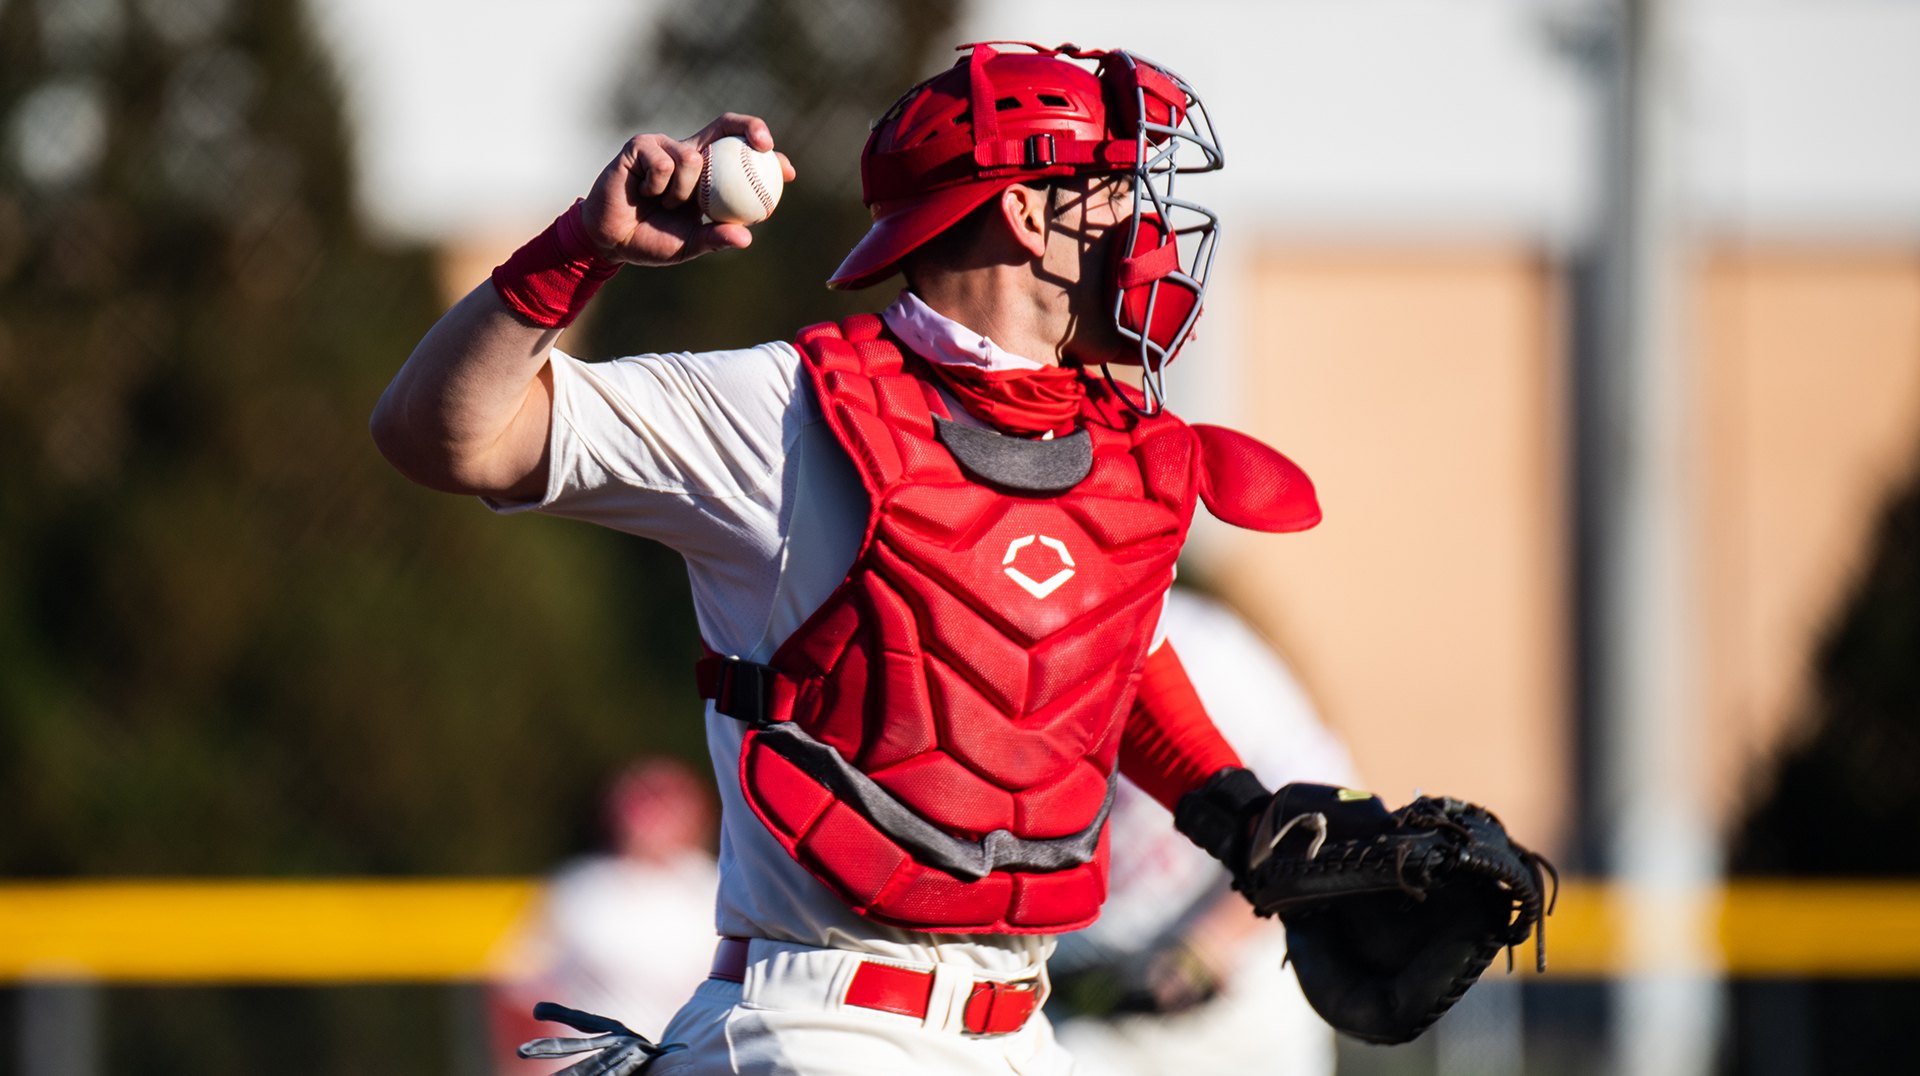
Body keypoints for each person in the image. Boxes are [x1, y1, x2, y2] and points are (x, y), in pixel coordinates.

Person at [373, 42, 1327, 1076]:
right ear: (1022, 213)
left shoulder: (1110, 446)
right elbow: (441, 437)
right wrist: (578, 250)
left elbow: (1095, 661)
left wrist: (1251, 821)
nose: (1143, 225)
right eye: (1110, 188)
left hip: (1024, 1032)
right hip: (821, 1028)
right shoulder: (785, 408)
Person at [1048, 588, 1358, 1076]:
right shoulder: (1028, 641)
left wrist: (1207, 944)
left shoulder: (1207, 648)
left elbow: (1318, 819)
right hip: (1082, 1016)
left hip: (1239, 1024)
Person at [489, 759, 722, 1073]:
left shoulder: (717, 891)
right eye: (643, 800)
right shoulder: (579, 891)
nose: (653, 816)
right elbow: (518, 993)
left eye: (664, 801)